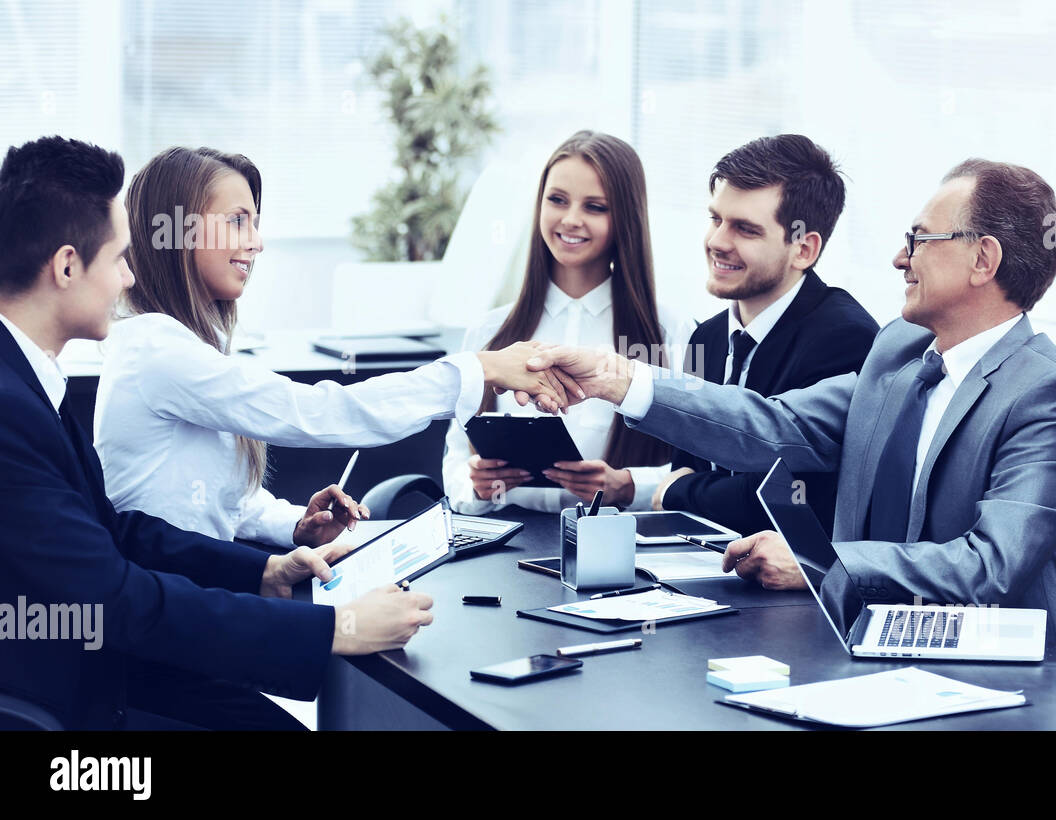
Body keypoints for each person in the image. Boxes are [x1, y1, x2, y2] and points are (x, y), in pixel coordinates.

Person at [531, 158, 1056, 653]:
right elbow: (778, 425)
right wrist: (619, 379)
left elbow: (988, 568)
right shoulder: (899, 351)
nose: (901, 257)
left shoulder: (1049, 395)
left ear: (983, 260)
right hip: (871, 643)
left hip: (1016, 676)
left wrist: (820, 561)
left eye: (920, 239)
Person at [0, 136, 441, 730]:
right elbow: (111, 599)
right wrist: (338, 627)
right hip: (81, 702)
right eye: (119, 259)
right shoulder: (12, 407)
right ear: (67, 266)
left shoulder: (29, 382)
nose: (128, 276)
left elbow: (116, 532)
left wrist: (262, 571)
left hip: (108, 665)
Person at [94, 146, 568, 550]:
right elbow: (316, 412)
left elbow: (215, 501)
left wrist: (297, 525)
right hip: (168, 612)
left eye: (256, 223)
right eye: (238, 221)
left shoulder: (185, 345)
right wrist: (477, 369)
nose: (256, 243)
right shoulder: (157, 350)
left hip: (192, 591)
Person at [441, 130, 694, 514]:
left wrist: (626, 486)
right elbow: (455, 462)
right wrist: (475, 485)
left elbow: (700, 472)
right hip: (506, 550)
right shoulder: (489, 331)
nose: (571, 219)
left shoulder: (669, 332)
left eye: (595, 207)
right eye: (557, 200)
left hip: (616, 551)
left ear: (625, 216)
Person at [649, 135, 878, 535]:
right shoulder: (707, 337)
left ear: (803, 249)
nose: (717, 242)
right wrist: (690, 488)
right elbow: (686, 464)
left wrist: (677, 492)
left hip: (784, 588)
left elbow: (794, 501)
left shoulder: (847, 340)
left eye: (745, 230)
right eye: (716, 219)